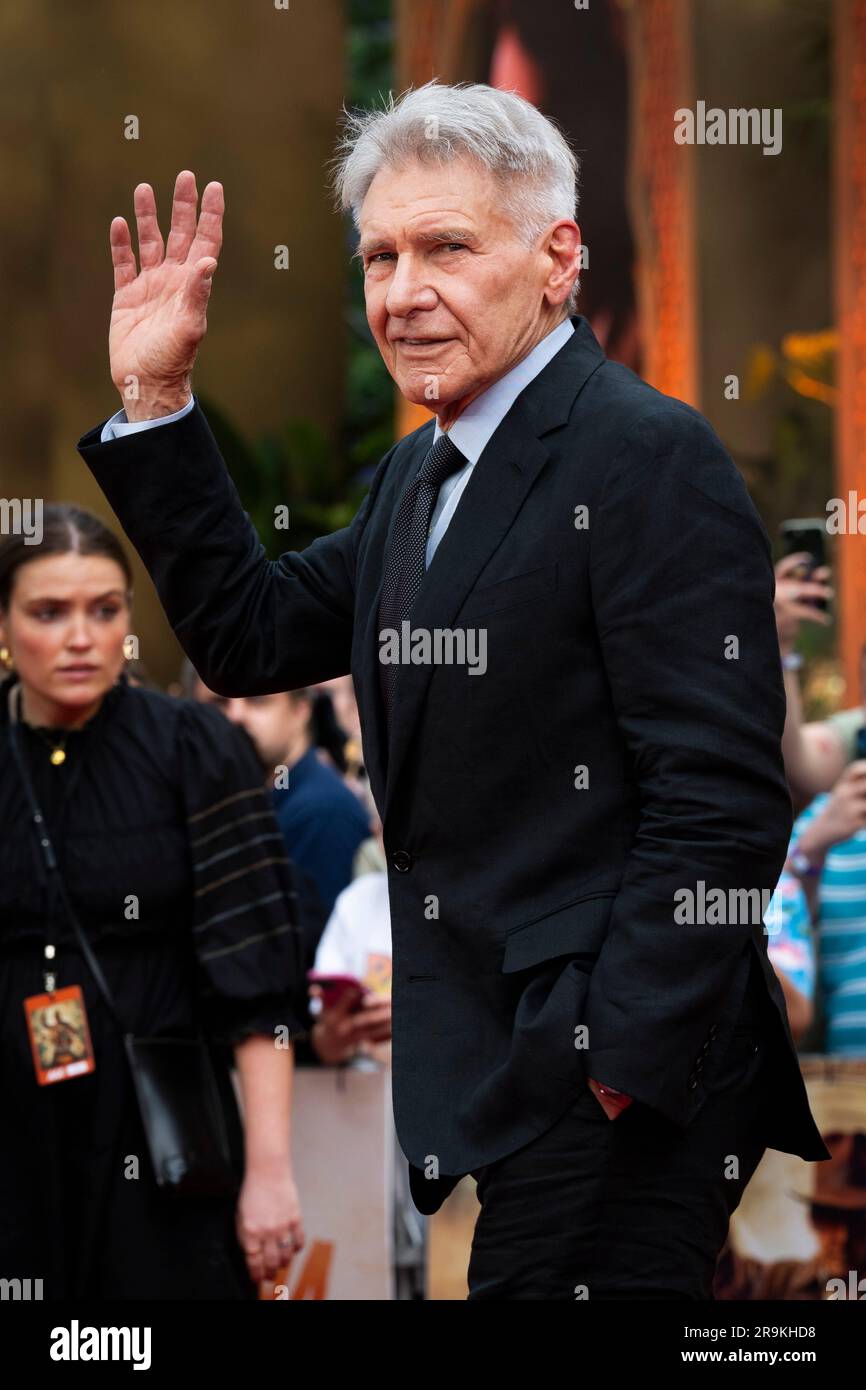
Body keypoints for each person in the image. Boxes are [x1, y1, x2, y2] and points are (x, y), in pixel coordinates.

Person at [78, 80, 829, 1300]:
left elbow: (721, 795)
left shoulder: (642, 453)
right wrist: (158, 402)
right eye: (378, 254)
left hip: (616, 1083)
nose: (401, 289)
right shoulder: (418, 480)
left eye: (445, 247)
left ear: (555, 257)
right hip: (503, 1078)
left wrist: (614, 1062)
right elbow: (250, 631)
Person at [0, 506, 307, 1299]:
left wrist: (270, 1175)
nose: (81, 637)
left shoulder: (194, 749)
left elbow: (259, 983)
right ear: (4, 624)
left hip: (159, 1129)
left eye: (105, 610)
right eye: (49, 612)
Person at [182, 664, 371, 961]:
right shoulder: (247, 800)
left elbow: (316, 960)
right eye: (219, 702)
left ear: (300, 710)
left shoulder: (321, 812)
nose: (236, 715)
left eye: (258, 700)